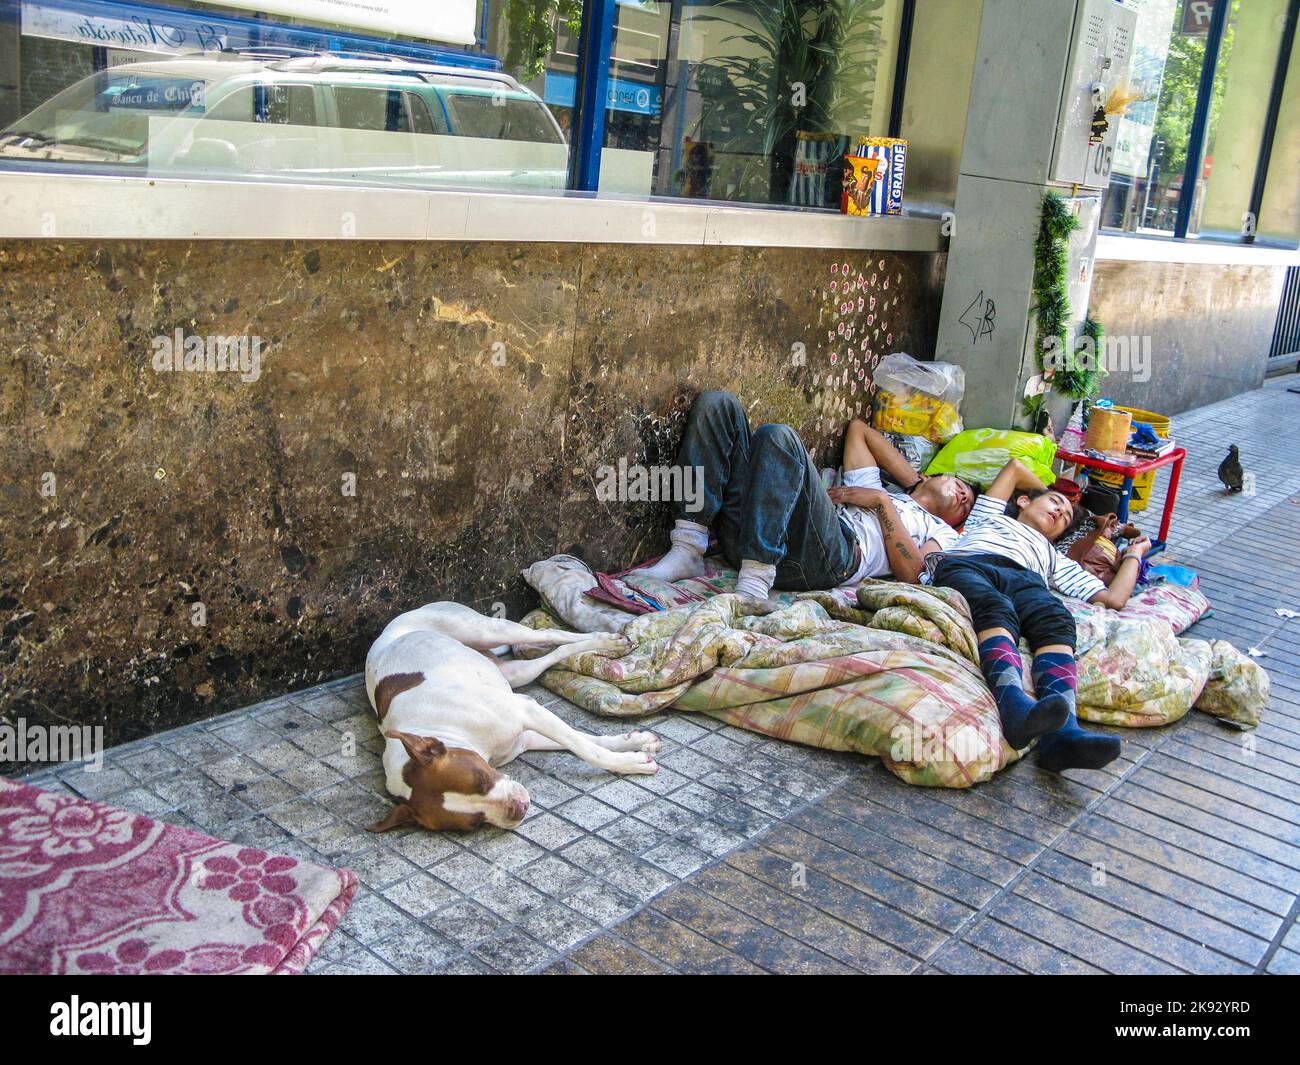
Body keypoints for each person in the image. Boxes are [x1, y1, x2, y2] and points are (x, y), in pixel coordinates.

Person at [924, 457, 1150, 773]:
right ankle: (1013, 704)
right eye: (1054, 503)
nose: (1060, 512)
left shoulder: (1053, 557)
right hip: (971, 563)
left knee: (1056, 618)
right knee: (996, 607)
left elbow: (1112, 599)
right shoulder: (987, 517)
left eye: (1065, 517)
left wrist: (1134, 556)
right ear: (1023, 500)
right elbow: (1014, 467)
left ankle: (1063, 735)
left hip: (1028, 578)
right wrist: (1058, 495)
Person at [640, 391, 976, 600]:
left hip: (832, 558)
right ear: (930, 475)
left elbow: (916, 577)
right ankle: (688, 547)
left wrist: (882, 503)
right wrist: (913, 483)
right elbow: (860, 430)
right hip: (762, 532)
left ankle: (755, 584)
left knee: (778, 437)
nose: (965, 495)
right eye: (960, 484)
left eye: (969, 503)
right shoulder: (881, 485)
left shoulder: (943, 532)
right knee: (718, 405)